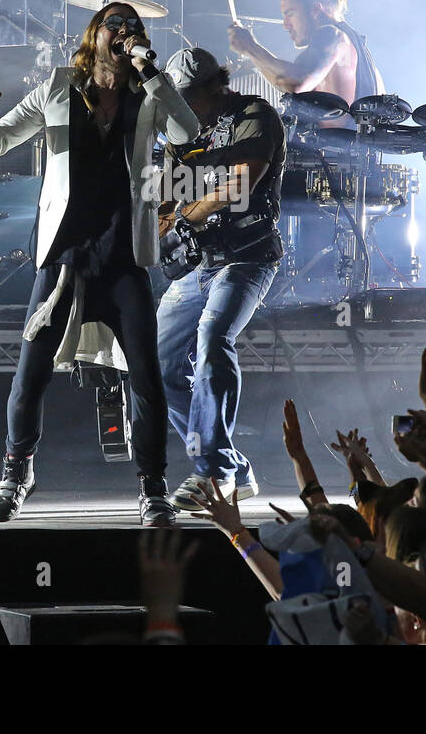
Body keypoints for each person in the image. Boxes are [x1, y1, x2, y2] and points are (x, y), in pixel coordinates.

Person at [0, 2, 200, 526]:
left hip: (124, 253)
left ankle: (152, 488)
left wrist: (150, 72)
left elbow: (186, 133)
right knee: (31, 372)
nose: (126, 32)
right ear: (94, 34)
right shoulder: (59, 88)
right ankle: (17, 471)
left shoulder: (145, 92)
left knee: (146, 378)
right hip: (64, 254)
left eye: (135, 27)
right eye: (116, 25)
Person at [153, 47, 286, 511]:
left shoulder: (255, 115)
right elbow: (166, 194)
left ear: (217, 85)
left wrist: (183, 217)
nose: (181, 106)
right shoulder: (177, 132)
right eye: (175, 98)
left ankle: (212, 472)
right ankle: (230, 465)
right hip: (198, 265)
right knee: (154, 364)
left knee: (213, 336)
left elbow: (243, 179)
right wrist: (159, 222)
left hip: (247, 258)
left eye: (188, 96)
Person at [227, 0, 384, 125]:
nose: (285, 24)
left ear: (315, 9)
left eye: (290, 14)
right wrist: (252, 54)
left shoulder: (331, 34)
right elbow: (283, 81)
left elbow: (297, 82)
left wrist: (250, 47)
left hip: (328, 149)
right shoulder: (362, 55)